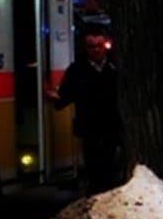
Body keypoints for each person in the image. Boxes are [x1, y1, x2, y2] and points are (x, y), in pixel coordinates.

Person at [51, 29, 123, 194]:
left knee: (111, 165)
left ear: (105, 46)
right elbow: (64, 97)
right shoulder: (77, 70)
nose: (96, 50)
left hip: (112, 126)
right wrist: (56, 99)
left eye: (99, 45)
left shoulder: (115, 67)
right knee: (94, 167)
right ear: (86, 48)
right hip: (89, 128)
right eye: (91, 46)